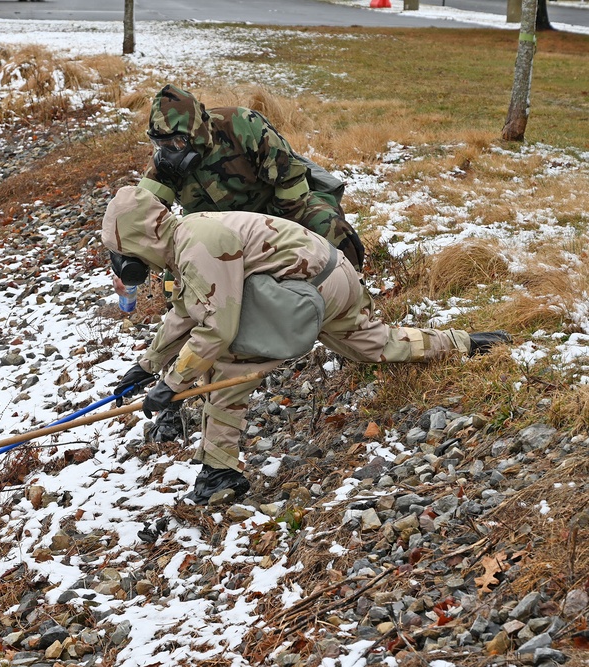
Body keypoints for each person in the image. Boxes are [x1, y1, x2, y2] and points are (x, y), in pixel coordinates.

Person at [103, 185, 511, 506]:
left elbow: (215, 331)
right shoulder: (187, 237)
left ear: (140, 240)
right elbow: (186, 312)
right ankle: (464, 344)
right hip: (330, 280)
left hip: (310, 289)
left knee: (228, 366)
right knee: (375, 345)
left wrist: (173, 385)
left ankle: (218, 473)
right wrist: (146, 365)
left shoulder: (198, 246)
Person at [131, 83, 366, 443]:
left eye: (177, 144)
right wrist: (126, 261)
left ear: (199, 129)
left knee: (331, 231)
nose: (169, 152)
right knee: (179, 293)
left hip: (278, 213)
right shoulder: (166, 161)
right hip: (211, 238)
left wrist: (274, 242)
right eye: (161, 145)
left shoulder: (242, 126)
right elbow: (141, 215)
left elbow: (291, 183)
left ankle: (351, 322)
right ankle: (170, 401)